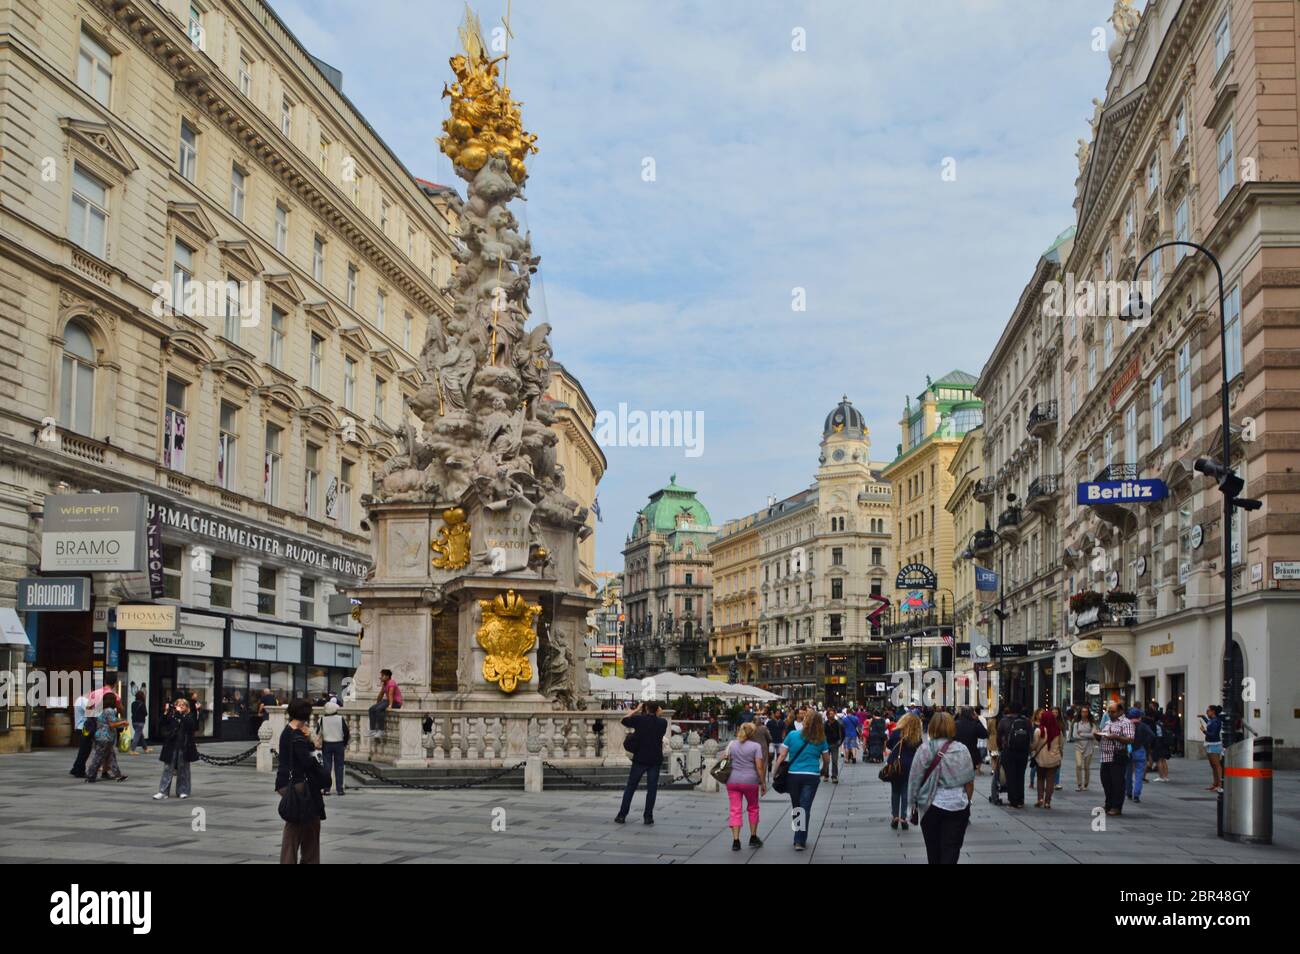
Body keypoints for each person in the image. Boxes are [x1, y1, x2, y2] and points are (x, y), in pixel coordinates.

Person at [908, 711, 976, 865]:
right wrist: (967, 801)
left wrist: (913, 804)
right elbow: (969, 782)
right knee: (951, 850)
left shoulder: (924, 750)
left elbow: (914, 780)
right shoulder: (962, 749)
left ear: (932, 727)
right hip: (958, 806)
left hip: (931, 807)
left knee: (933, 852)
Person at [276, 697, 330, 863]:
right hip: (300, 785)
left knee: (303, 824)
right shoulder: (297, 736)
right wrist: (312, 744)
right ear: (306, 715)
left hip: (287, 782)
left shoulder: (288, 731)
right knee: (302, 827)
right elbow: (307, 762)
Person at [772, 709, 829, 852]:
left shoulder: (792, 735)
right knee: (806, 806)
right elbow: (826, 759)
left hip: (793, 775)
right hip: (812, 775)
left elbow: (782, 755)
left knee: (797, 807)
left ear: (805, 720)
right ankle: (800, 839)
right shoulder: (821, 739)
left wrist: (775, 771)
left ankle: (798, 837)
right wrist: (824, 769)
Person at [616, 701, 668, 824]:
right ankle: (648, 817)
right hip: (655, 759)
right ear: (657, 710)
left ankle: (622, 815)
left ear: (645, 709)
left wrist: (636, 710)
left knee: (631, 787)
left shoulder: (639, 720)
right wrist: (657, 712)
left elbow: (623, 720)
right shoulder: (663, 722)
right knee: (652, 789)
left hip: (640, 758)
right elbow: (658, 720)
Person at [722, 722, 766, 850]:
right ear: (752, 733)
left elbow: (725, 758)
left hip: (732, 781)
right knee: (753, 808)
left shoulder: (732, 744)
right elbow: (759, 766)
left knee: (735, 810)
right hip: (750, 781)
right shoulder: (755, 746)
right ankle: (753, 837)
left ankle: (736, 841)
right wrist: (762, 783)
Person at [152, 696, 198, 800]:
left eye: (183, 705)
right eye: (178, 705)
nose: (180, 707)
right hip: (171, 746)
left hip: (184, 746)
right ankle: (163, 791)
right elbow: (161, 723)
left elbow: (190, 725)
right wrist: (166, 711)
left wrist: (179, 714)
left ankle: (183, 791)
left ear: (187, 707)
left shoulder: (189, 716)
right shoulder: (172, 716)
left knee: (183, 770)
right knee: (168, 769)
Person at [1096, 701, 1134, 816]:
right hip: (1105, 757)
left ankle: (1116, 806)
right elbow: (1103, 737)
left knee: (1117, 782)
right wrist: (1097, 736)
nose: (1110, 714)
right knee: (1106, 781)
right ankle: (1108, 803)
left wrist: (1116, 737)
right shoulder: (1108, 722)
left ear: (1120, 711)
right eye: (1109, 712)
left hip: (1117, 756)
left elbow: (1130, 739)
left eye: (1113, 712)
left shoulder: (1126, 723)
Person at [885, 712, 922, 830]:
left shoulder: (896, 732)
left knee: (895, 791)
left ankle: (895, 817)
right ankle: (903, 818)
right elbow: (920, 749)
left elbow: (890, 745)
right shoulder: (916, 735)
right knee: (906, 792)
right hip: (910, 766)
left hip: (896, 765)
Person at [84, 693, 128, 783]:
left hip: (100, 736)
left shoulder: (100, 710)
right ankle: (90, 776)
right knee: (98, 757)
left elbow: (91, 713)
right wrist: (123, 723)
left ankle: (118, 775)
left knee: (111, 757)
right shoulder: (110, 710)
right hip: (105, 737)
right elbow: (112, 724)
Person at [997, 702, 1031, 809]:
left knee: (1011, 776)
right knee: (1020, 775)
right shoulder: (1026, 721)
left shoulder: (1004, 721)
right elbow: (1030, 736)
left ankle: (1013, 801)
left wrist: (1000, 748)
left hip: (1009, 751)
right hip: (1023, 752)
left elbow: (999, 736)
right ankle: (1020, 799)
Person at [1031, 709, 1063, 808]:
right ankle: (1047, 801)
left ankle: (1040, 798)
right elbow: (1061, 745)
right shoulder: (1058, 731)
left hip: (1041, 759)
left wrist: (1032, 750)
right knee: (1050, 780)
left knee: (1040, 778)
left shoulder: (1039, 730)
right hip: (1053, 759)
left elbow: (1034, 745)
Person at [318, 700, 350, 796]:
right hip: (339, 744)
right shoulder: (340, 719)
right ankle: (339, 789)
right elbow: (346, 733)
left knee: (327, 767)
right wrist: (344, 743)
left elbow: (318, 732)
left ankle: (327, 789)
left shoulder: (322, 719)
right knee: (339, 767)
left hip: (327, 744)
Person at [1126, 707, 1154, 803]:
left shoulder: (1127, 725)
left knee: (1128, 773)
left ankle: (1129, 792)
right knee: (1139, 774)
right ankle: (1136, 795)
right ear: (1139, 717)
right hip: (1140, 750)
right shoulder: (1143, 726)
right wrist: (1144, 743)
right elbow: (1152, 735)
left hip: (1128, 750)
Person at [368, 669, 402, 738]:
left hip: (396, 702)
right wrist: (376, 704)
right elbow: (380, 695)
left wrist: (390, 705)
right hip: (387, 700)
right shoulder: (385, 684)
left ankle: (381, 730)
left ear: (387, 676)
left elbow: (390, 694)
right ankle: (372, 730)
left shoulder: (391, 682)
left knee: (379, 709)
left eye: (382, 675)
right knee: (371, 709)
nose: (380, 677)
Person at [955, 707, 987, 776]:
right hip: (971, 755)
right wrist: (978, 720)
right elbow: (984, 735)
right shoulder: (975, 724)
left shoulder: (955, 724)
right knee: (969, 779)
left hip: (957, 754)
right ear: (972, 714)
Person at [70, 694, 94, 778]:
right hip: (84, 728)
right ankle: (79, 770)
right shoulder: (84, 701)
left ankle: (76, 768)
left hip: (79, 727)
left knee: (83, 750)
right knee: (85, 750)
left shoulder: (78, 699)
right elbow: (91, 712)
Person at [1200, 705, 1223, 793]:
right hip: (1210, 744)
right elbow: (1208, 722)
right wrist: (1203, 717)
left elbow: (1212, 734)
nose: (1207, 712)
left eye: (1208, 710)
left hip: (1214, 744)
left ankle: (1220, 785)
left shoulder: (1216, 721)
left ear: (1213, 711)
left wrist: (1204, 731)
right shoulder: (1212, 720)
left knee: (1217, 765)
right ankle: (1215, 784)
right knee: (1213, 765)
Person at [1072, 705, 1096, 790]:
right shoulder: (1076, 724)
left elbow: (1093, 735)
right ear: (1080, 713)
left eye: (1086, 712)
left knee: (1086, 767)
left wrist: (1081, 734)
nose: (1084, 713)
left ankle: (1086, 784)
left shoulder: (1091, 724)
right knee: (1078, 765)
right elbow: (1075, 736)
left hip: (1089, 747)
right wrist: (1087, 736)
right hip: (1078, 747)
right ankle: (1079, 784)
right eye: (1083, 711)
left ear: (1088, 713)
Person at [823, 707, 844, 783]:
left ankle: (834, 776)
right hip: (826, 744)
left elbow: (842, 734)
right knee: (826, 761)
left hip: (835, 744)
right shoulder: (825, 724)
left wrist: (839, 742)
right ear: (827, 715)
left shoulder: (838, 723)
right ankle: (826, 775)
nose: (831, 715)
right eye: (830, 714)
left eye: (832, 714)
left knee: (835, 761)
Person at [765, 709, 785, 776]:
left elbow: (784, 730)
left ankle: (778, 769)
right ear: (774, 714)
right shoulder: (770, 722)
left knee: (779, 756)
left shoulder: (782, 722)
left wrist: (783, 737)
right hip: (772, 741)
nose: (777, 714)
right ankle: (770, 763)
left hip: (780, 741)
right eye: (776, 713)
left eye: (779, 713)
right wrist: (768, 737)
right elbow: (766, 730)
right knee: (771, 755)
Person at [129, 690, 149, 755]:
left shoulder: (133, 703)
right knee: (137, 735)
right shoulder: (142, 704)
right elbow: (145, 713)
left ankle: (145, 748)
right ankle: (132, 749)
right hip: (140, 722)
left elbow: (132, 712)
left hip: (134, 721)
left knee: (140, 735)